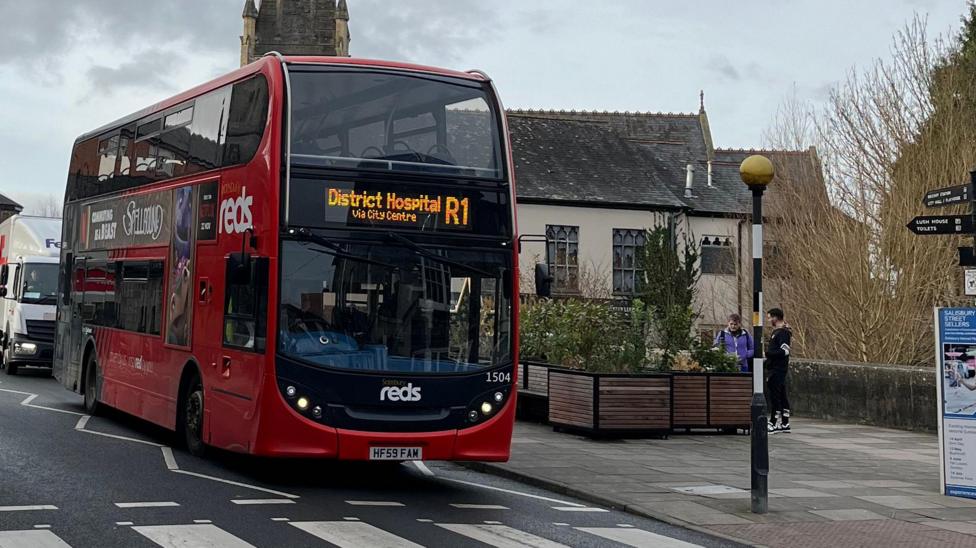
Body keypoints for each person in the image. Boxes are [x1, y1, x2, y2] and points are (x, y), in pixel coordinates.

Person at [765, 308, 792, 433]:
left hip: (778, 369)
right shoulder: (778, 332)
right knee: (781, 394)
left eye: (770, 317)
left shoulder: (782, 333)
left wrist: (768, 353)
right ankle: (785, 422)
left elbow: (785, 351)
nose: (769, 320)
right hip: (775, 368)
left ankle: (773, 422)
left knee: (775, 396)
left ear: (776, 317)